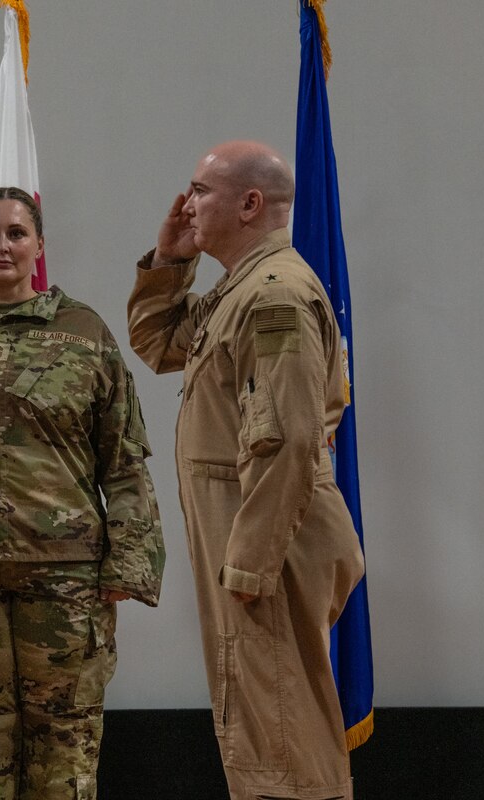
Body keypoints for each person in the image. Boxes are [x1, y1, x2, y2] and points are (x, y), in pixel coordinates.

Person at [126, 141, 366, 800]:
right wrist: (172, 261)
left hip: (268, 543)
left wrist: (252, 564)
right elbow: (158, 343)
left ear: (250, 202)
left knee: (280, 740)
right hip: (252, 535)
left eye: (200, 189)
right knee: (268, 730)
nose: (187, 203)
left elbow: (286, 441)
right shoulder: (240, 290)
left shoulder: (273, 297)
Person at [0, 186, 165, 799]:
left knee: (65, 743)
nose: (3, 245)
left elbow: (125, 459)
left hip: (65, 577)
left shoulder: (84, 333)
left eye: (17, 233)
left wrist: (127, 563)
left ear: (40, 246)